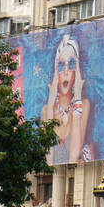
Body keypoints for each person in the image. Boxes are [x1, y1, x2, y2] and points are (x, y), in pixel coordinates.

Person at [39, 34, 91, 165]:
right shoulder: (46, 111)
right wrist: (51, 108)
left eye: (72, 64)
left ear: (77, 71)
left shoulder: (83, 105)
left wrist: (77, 97)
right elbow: (48, 161)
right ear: (56, 71)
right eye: (62, 64)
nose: (66, 71)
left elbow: (73, 157)